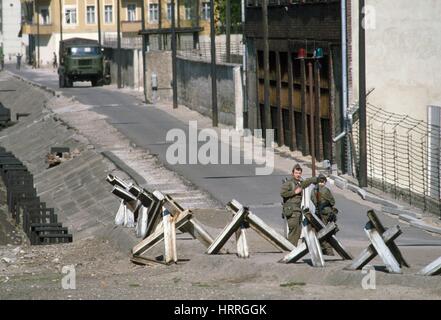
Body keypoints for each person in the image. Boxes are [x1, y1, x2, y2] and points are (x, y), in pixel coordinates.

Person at [280, 164, 318, 246]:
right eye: (296, 173)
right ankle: (290, 249)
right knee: (293, 231)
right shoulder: (289, 183)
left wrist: (315, 179)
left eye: (299, 173)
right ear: (292, 173)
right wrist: (294, 192)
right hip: (291, 211)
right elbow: (283, 193)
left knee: (298, 231)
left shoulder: (299, 182)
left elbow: (305, 183)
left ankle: (293, 249)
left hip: (297, 211)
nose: (298, 175)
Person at [311, 173, 338, 256]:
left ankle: (323, 249)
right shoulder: (325, 190)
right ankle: (329, 251)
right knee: (328, 231)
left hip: (318, 213)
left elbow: (313, 200)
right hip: (326, 213)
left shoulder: (313, 190)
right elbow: (332, 202)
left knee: (320, 231)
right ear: (324, 181)